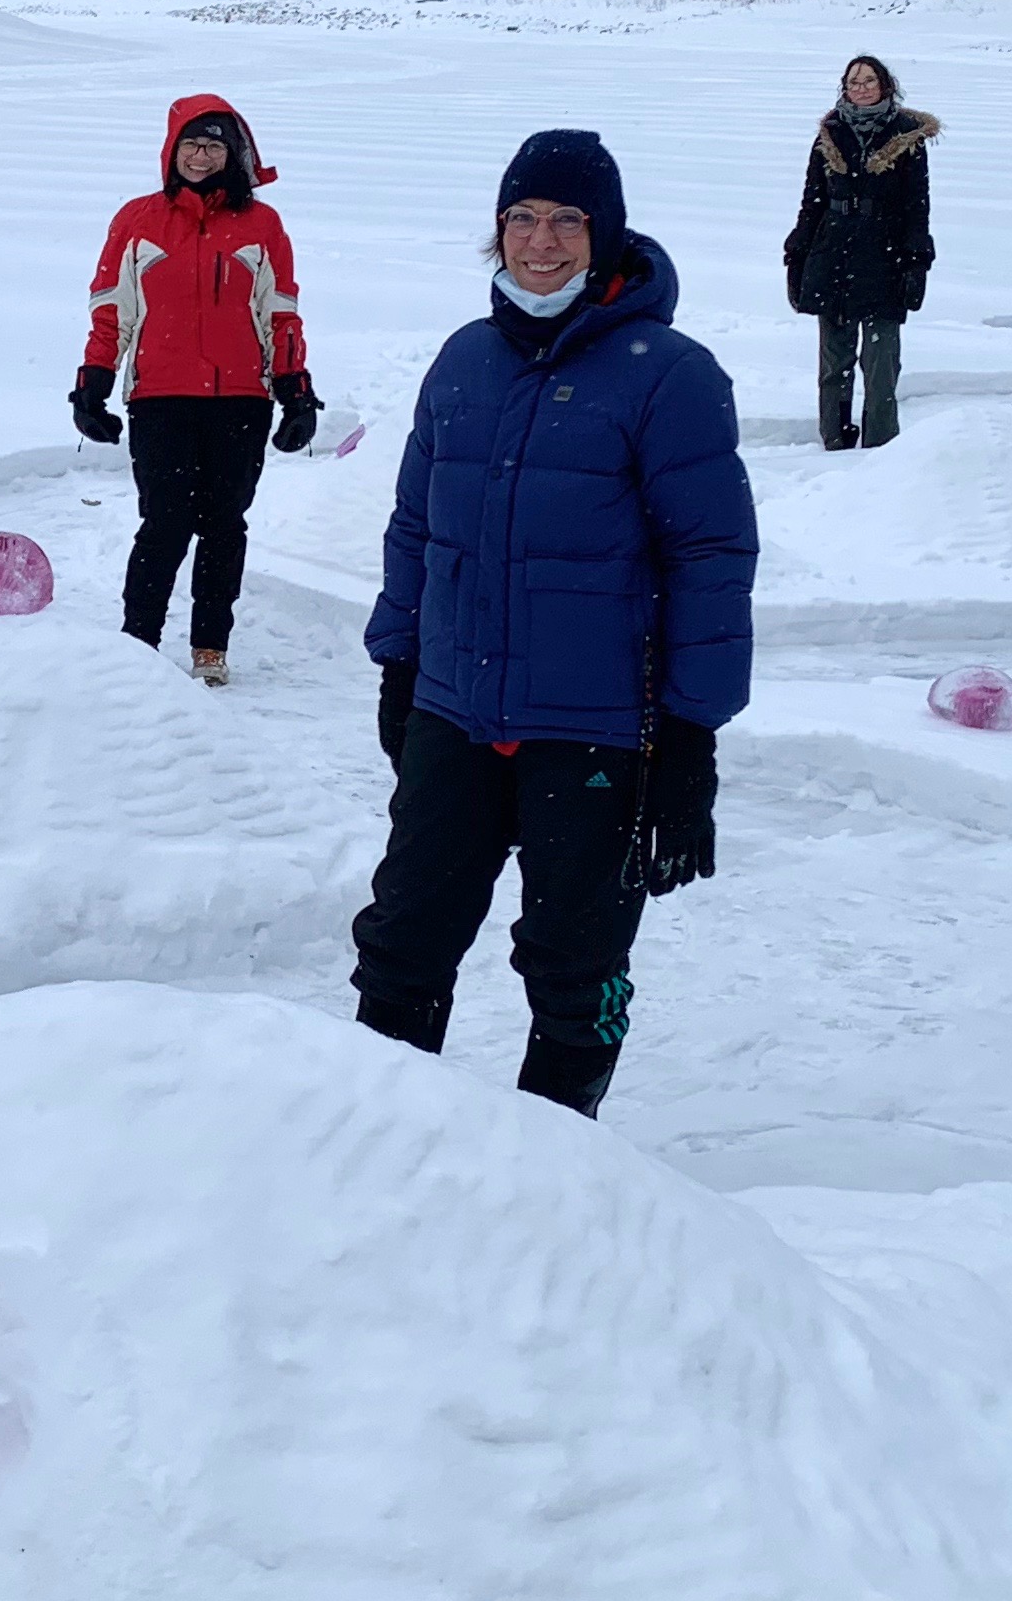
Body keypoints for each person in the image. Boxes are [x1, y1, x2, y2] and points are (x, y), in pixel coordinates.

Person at [351, 130, 756, 1118]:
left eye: (567, 221)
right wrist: (399, 664)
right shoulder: (463, 361)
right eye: (522, 219)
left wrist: (691, 735)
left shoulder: (669, 374)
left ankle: (557, 1183)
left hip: (598, 729)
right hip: (454, 708)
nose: (541, 241)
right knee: (404, 939)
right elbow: (417, 528)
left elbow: (709, 561)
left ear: (605, 233)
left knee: (575, 963)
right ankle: (374, 1155)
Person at [70, 96, 318, 684]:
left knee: (225, 524)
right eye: (191, 145)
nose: (201, 156)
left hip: (240, 401)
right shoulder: (137, 220)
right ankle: (139, 641)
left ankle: (210, 646)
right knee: (163, 522)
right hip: (161, 398)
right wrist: (93, 383)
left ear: (233, 154)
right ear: (171, 151)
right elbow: (112, 312)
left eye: (213, 145)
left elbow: (280, 315)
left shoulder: (262, 225)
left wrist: (296, 392)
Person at [783, 54, 938, 452]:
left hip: (884, 253)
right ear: (845, 88)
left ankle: (882, 447)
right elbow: (812, 199)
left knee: (881, 360)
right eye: (854, 82)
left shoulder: (905, 134)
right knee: (834, 359)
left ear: (885, 86)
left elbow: (916, 204)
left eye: (869, 81)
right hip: (833, 249)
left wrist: (916, 260)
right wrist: (797, 250)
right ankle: (833, 441)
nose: (862, 87)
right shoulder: (830, 133)